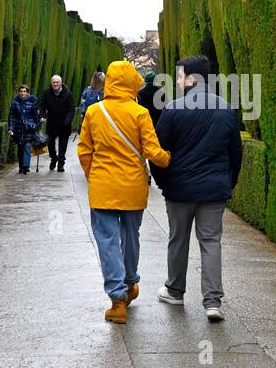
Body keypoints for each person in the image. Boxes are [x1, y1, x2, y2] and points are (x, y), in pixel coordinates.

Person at [77, 60, 171, 324]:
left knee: (107, 242)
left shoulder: (95, 112)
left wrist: (93, 176)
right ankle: (131, 283)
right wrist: (168, 159)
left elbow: (84, 151)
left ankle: (117, 300)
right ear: (132, 83)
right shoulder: (140, 113)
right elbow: (152, 152)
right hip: (132, 186)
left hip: (103, 188)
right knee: (130, 236)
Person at [150, 55, 242, 322]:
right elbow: (235, 154)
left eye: (179, 77)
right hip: (214, 190)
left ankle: (175, 291)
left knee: (178, 240)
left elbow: (157, 153)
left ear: (190, 78)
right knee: (211, 241)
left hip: (179, 189)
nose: (178, 82)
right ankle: (212, 302)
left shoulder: (174, 109)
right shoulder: (225, 109)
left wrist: (163, 183)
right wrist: (228, 183)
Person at [38, 74, 75, 172]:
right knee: (50, 144)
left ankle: (61, 164)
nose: (55, 84)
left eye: (57, 82)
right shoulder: (47, 93)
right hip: (52, 123)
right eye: (53, 82)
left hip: (64, 125)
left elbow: (71, 109)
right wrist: (42, 116)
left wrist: (67, 120)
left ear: (61, 83)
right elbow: (42, 106)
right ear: (51, 83)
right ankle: (54, 158)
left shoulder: (68, 93)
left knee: (62, 146)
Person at [7, 84, 42, 175]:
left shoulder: (33, 102)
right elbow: (11, 117)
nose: (22, 93)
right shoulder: (15, 103)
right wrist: (10, 128)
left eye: (24, 91)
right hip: (18, 129)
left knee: (26, 146)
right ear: (19, 92)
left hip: (29, 129)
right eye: (21, 91)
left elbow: (36, 116)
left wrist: (37, 126)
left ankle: (26, 167)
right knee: (20, 148)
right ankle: (21, 167)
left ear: (27, 92)